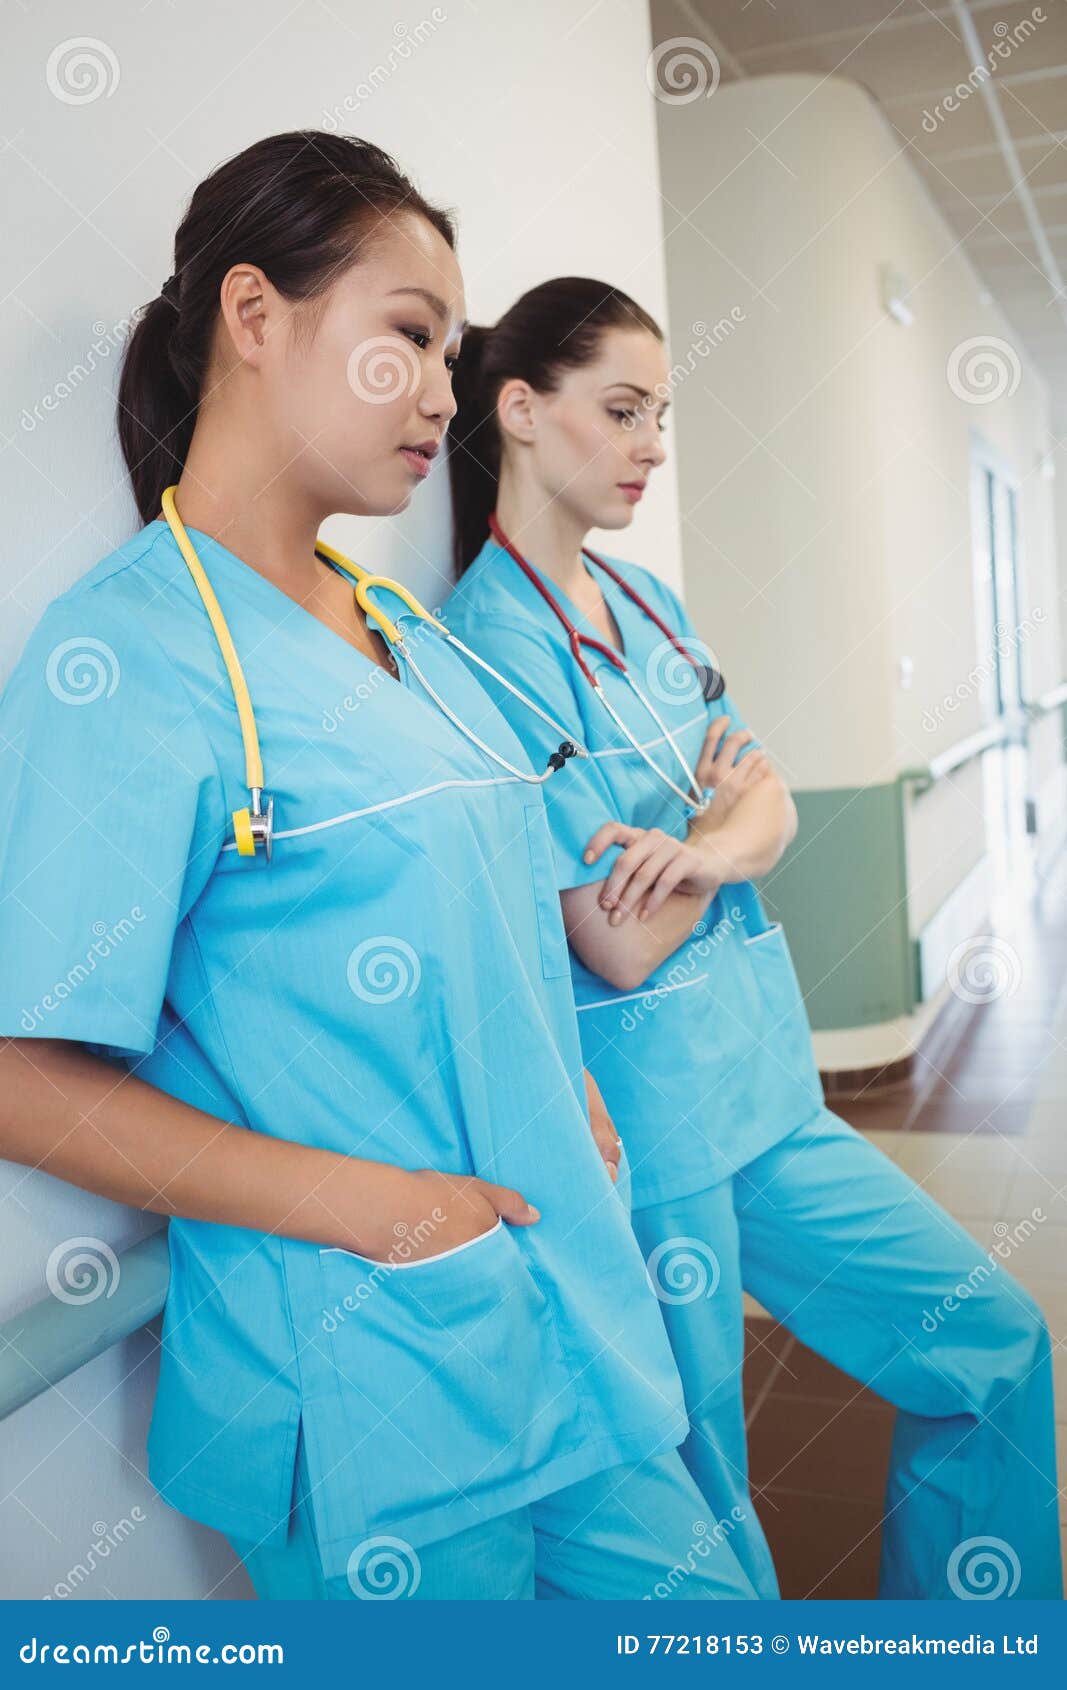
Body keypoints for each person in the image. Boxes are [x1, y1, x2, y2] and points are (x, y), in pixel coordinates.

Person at [0, 142, 760, 1602]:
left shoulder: (407, 630)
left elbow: (488, 911)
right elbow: (25, 1075)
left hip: (567, 1317)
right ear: (255, 314)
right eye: (409, 336)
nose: (443, 392)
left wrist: (561, 1076)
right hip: (374, 1376)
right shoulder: (130, 660)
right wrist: (377, 1211)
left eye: (454, 354)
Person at [442, 275, 1062, 1600]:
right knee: (713, 1509)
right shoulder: (477, 652)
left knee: (995, 1343)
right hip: (650, 1137)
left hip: (766, 1095)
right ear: (521, 411)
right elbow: (613, 943)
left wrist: (708, 847)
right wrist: (726, 827)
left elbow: (768, 806)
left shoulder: (654, 607)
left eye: (659, 414)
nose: (652, 445)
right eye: (621, 410)